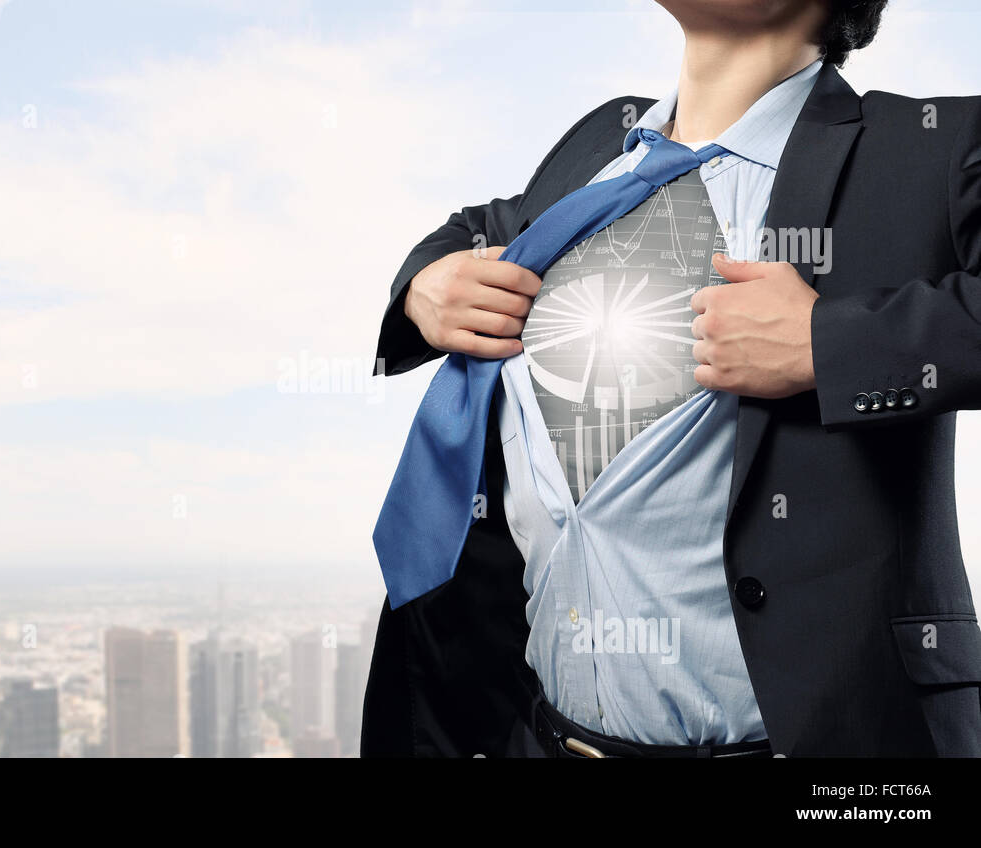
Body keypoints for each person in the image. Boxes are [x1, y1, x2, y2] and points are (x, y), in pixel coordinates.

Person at [362, 0, 981, 757]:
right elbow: (483, 226)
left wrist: (828, 343)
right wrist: (424, 284)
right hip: (542, 736)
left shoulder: (928, 150)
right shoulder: (600, 146)